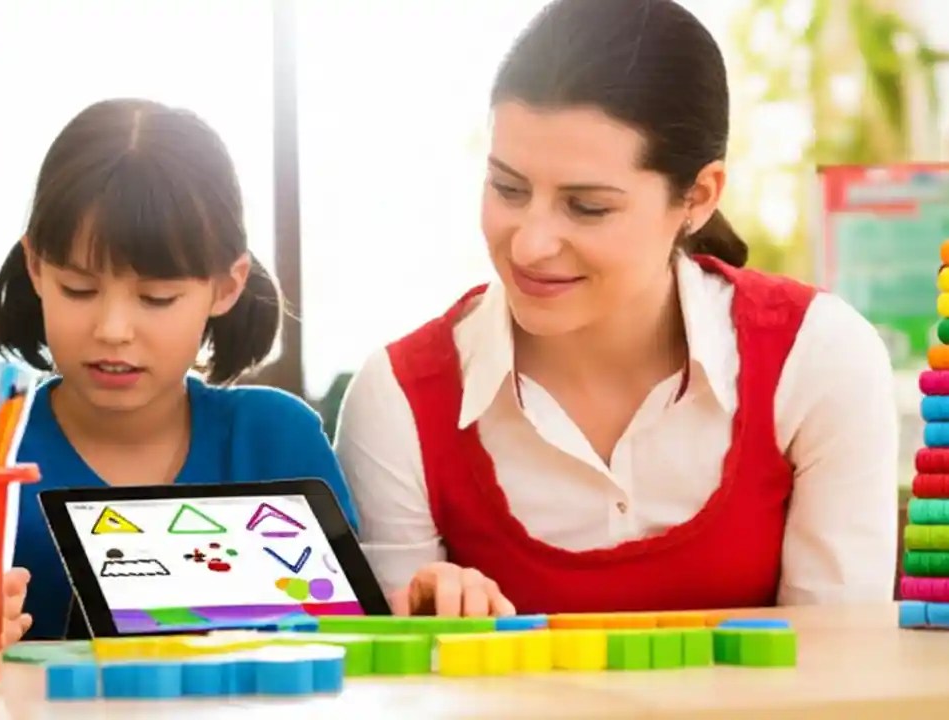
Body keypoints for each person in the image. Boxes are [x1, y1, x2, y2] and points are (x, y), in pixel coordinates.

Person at [334, 0, 898, 618]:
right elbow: (398, 669)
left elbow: (840, 655)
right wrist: (427, 622)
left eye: (588, 207)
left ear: (698, 196)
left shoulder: (817, 358)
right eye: (508, 188)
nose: (530, 245)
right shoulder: (399, 401)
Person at [0, 98, 358, 643]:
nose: (113, 329)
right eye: (79, 289)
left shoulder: (276, 442)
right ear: (36, 269)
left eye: (157, 298)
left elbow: (349, 646)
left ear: (226, 287)